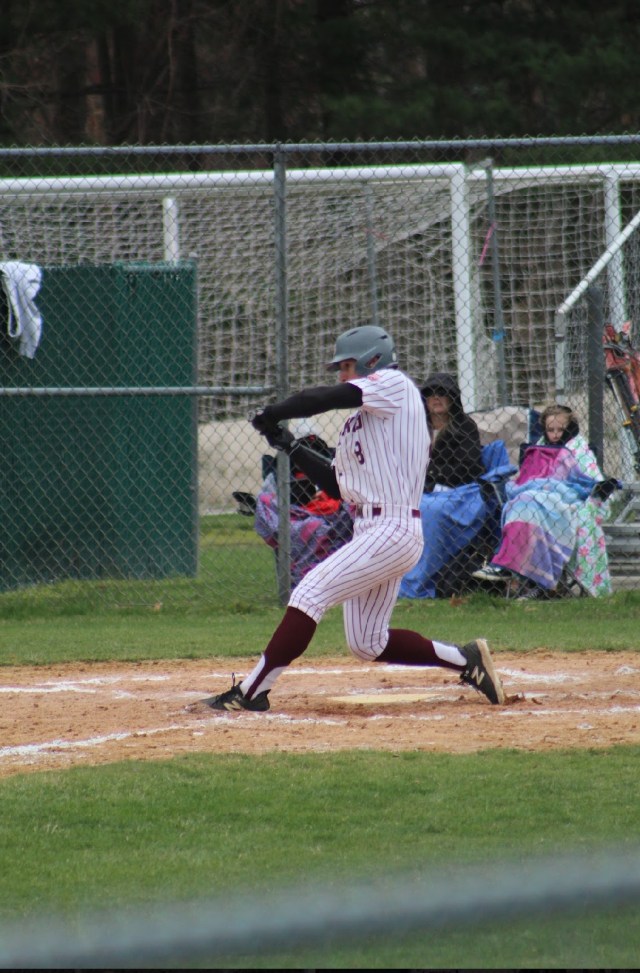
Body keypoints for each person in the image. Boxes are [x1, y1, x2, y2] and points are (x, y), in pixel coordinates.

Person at [201, 324, 505, 712]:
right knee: (367, 642)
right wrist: (289, 446)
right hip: (372, 529)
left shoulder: (394, 385)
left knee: (309, 592)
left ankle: (251, 691)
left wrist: (273, 412)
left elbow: (328, 397)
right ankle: (466, 659)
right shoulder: (361, 424)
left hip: (393, 527)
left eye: (347, 365)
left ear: (371, 360)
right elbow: (335, 485)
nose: (342, 374)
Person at [473, 403, 616, 599]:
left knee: (529, 501)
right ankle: (511, 566)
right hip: (531, 496)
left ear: (571, 427)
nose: (556, 435)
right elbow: (525, 478)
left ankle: (522, 574)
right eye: (551, 430)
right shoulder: (536, 450)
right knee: (518, 503)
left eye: (561, 430)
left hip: (563, 499)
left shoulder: (578, 450)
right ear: (544, 429)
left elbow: (587, 481)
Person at [399, 372, 488, 598]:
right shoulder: (417, 428)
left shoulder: (465, 427)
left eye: (442, 393)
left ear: (453, 398)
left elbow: (468, 467)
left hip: (456, 491)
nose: (435, 398)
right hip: (419, 490)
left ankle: (419, 582)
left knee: (429, 512)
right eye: (429, 394)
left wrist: (431, 474)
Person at [254, 434, 354, 588]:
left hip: (337, 520)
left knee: (324, 523)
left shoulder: (338, 471)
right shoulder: (279, 475)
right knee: (312, 526)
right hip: (298, 518)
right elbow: (269, 507)